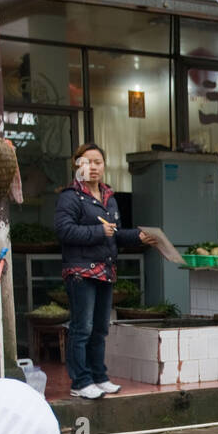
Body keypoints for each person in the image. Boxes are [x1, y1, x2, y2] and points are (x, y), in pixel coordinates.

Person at [54, 143, 157, 401]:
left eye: (98, 162)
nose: (93, 167)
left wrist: (139, 237)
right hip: (80, 272)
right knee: (82, 328)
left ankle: (99, 377)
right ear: (77, 165)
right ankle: (81, 381)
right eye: (87, 162)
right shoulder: (70, 196)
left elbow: (116, 234)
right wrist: (99, 231)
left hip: (105, 270)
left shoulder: (108, 196)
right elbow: (64, 231)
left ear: (104, 165)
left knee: (100, 328)